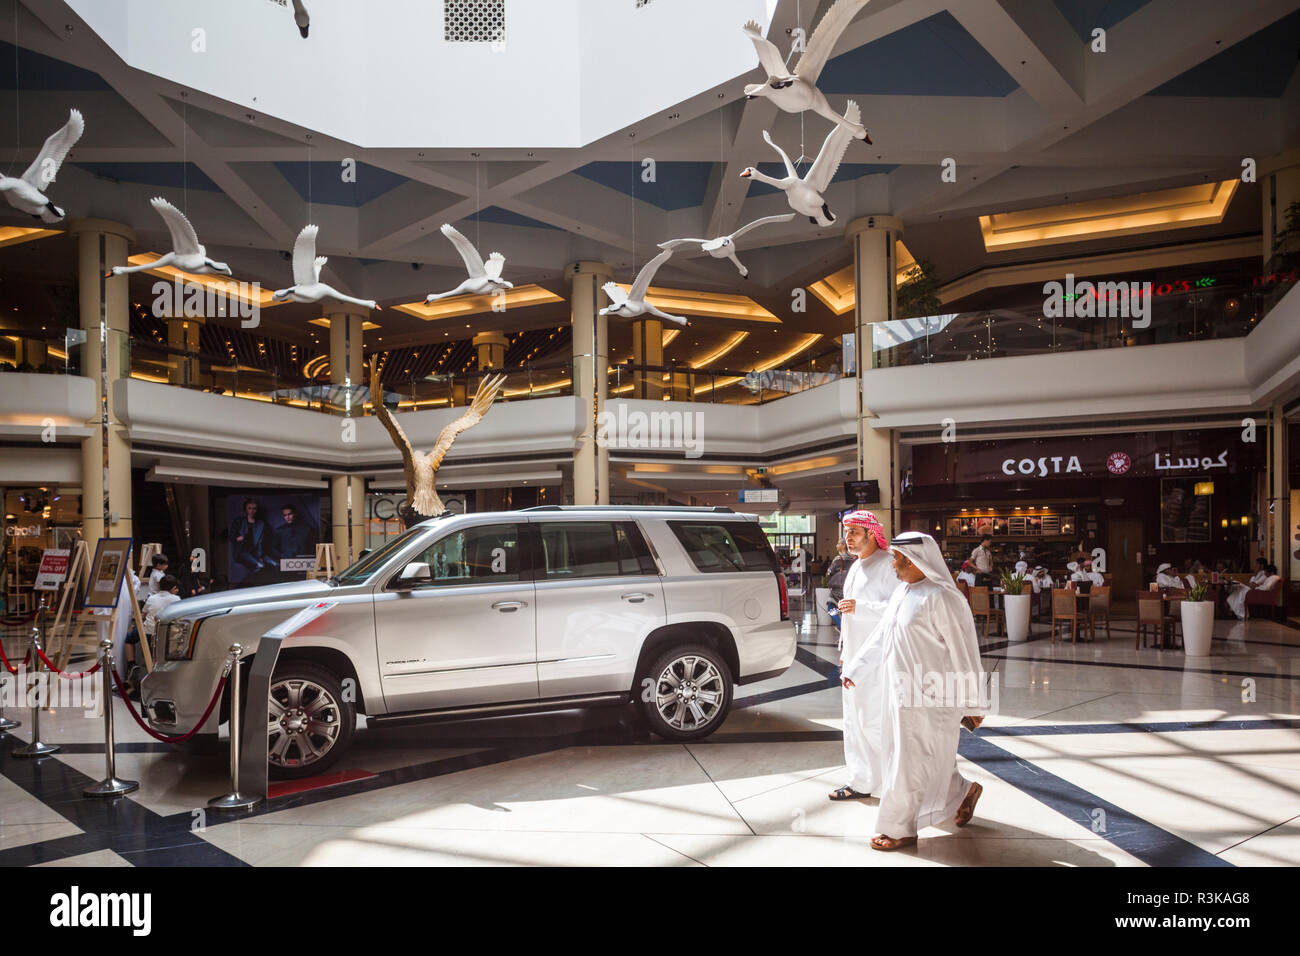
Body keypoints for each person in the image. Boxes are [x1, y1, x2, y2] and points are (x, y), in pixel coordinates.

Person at [842, 532, 987, 851]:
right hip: (898, 694)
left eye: (898, 559)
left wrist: (973, 702)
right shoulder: (903, 592)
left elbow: (965, 652)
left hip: (932, 697)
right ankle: (963, 792)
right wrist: (855, 668)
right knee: (920, 758)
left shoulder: (943, 597)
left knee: (908, 761)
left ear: (919, 560)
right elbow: (881, 636)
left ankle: (899, 828)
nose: (893, 564)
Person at [829, 510, 899, 803]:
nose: (849, 538)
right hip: (854, 658)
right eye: (847, 532)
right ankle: (860, 780)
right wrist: (845, 651)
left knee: (873, 722)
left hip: (877, 658)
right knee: (853, 722)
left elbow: (898, 610)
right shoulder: (856, 566)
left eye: (855, 532)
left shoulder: (889, 565)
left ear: (872, 533)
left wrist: (861, 607)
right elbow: (848, 613)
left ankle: (889, 784)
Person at [130, 574, 182, 698]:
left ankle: (131, 664)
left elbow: (143, 614)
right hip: (166, 634)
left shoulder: (152, 598)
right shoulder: (176, 599)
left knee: (130, 640)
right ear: (174, 588)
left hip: (149, 633)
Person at [230, 497, 274, 577]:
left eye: (254, 508)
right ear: (246, 509)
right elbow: (231, 537)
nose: (252, 511)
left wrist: (260, 556)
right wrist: (239, 538)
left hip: (257, 552)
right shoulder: (239, 521)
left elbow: (261, 542)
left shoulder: (261, 524)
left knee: (274, 564)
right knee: (260, 566)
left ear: (257, 510)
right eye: (249, 508)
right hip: (242, 552)